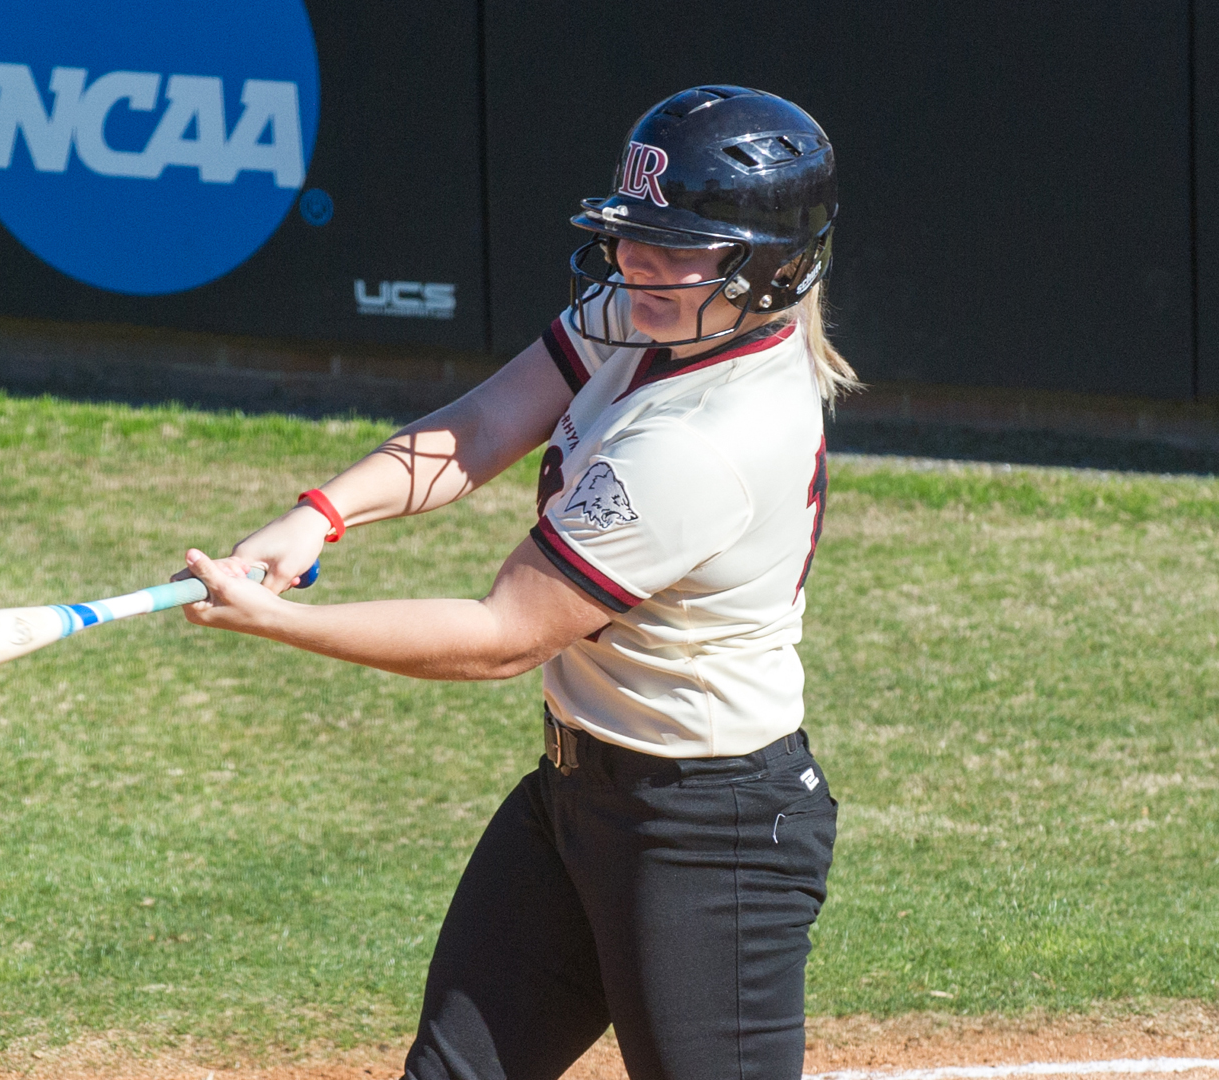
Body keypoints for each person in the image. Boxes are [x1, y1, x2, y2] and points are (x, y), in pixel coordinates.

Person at [178, 85, 858, 1080]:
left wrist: (275, 623)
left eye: (676, 247)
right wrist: (316, 516)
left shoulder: (701, 445)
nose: (638, 265)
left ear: (770, 268)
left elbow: (500, 635)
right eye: (633, 237)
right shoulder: (654, 315)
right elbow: (486, 425)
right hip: (575, 795)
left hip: (707, 837)